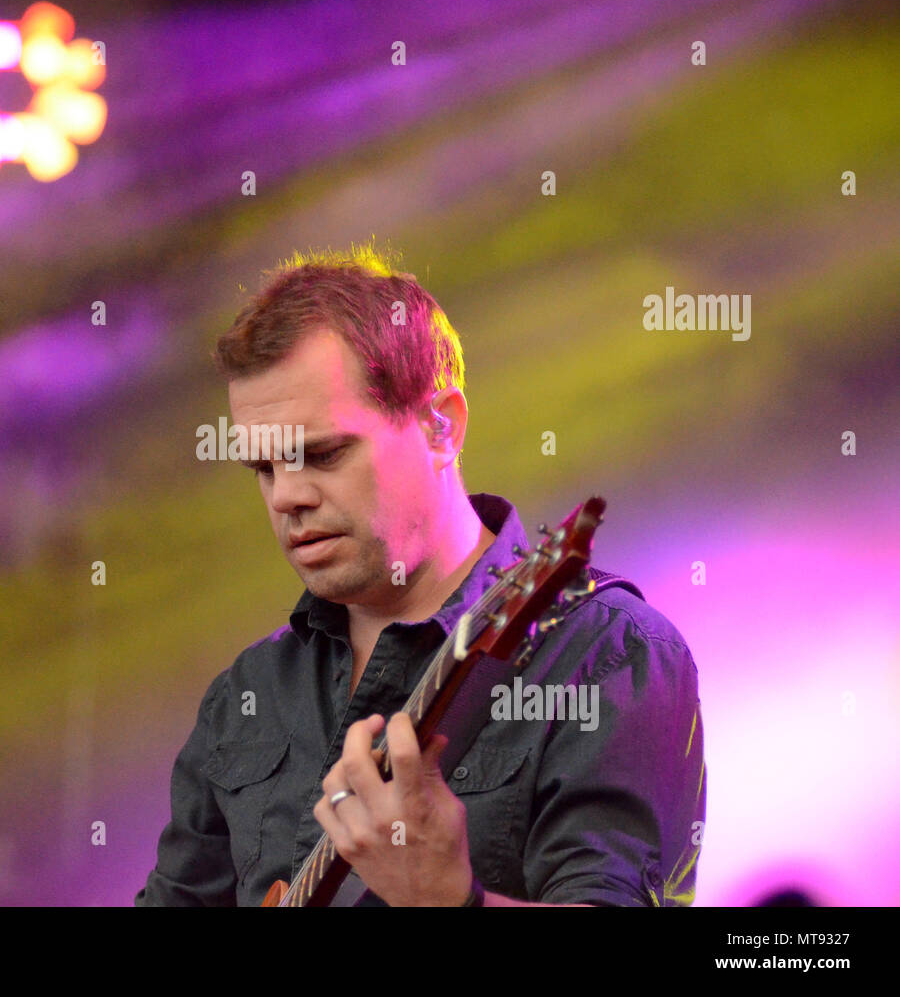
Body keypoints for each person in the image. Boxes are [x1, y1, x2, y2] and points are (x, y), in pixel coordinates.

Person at [134, 242, 705, 907]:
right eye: (264, 468)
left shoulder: (607, 650)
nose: (286, 496)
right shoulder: (246, 693)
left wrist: (447, 899)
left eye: (321, 454)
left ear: (441, 426)